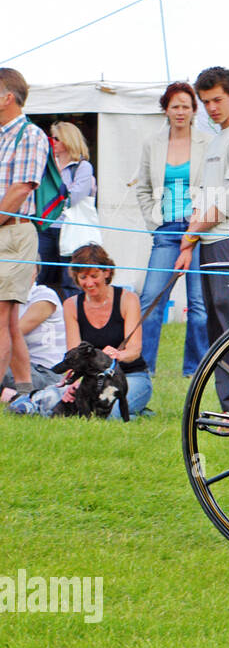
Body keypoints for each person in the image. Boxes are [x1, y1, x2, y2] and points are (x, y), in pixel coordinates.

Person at [173, 66, 229, 410]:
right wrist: (191, 239)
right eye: (206, 101)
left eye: (217, 100)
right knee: (219, 327)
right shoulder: (218, 139)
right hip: (211, 242)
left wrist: (190, 234)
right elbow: (205, 196)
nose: (212, 107)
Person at [135, 81, 211, 377]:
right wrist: (154, 223)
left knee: (199, 306)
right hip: (165, 230)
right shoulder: (152, 143)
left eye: (186, 106)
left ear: (194, 111)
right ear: (165, 110)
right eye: (175, 106)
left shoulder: (207, 142)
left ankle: (195, 372)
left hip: (199, 230)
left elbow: (213, 188)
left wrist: (198, 224)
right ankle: (143, 369)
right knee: (151, 300)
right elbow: (142, 187)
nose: (180, 112)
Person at [0, 68, 48, 394]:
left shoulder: (30, 135)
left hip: (15, 233)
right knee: (9, 320)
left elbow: (21, 189)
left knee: (1, 317)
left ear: (7, 97)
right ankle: (27, 392)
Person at [61, 244, 150, 419]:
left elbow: (134, 350)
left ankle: (141, 416)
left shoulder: (127, 300)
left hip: (130, 376)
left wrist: (117, 355)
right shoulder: (71, 305)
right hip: (93, 380)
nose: (89, 283)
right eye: (83, 277)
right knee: (71, 410)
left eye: (94, 276)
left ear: (107, 272)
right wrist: (74, 382)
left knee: (108, 413)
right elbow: (74, 354)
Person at [44, 122, 96, 297]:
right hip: (47, 228)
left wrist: (50, 198)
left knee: (71, 281)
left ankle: (72, 320)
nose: (53, 142)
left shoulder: (82, 167)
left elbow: (74, 197)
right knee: (43, 278)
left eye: (56, 138)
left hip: (72, 229)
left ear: (68, 140)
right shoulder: (47, 164)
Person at [0, 269, 64, 398]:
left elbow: (14, 331)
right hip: (21, 370)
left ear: (36, 271)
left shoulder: (45, 296)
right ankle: (9, 395)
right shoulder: (8, 297)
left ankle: (13, 395)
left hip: (46, 375)